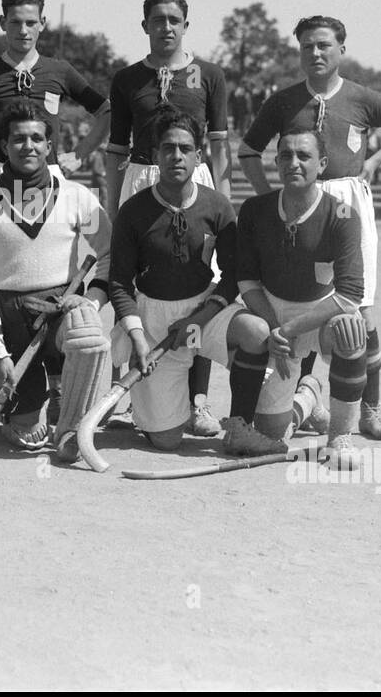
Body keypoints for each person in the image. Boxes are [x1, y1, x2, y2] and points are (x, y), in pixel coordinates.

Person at [237, 16, 381, 441]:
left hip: (346, 205)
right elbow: (249, 150)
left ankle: (369, 410)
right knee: (301, 298)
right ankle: (304, 394)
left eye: (323, 45)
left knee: (358, 309)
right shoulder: (283, 101)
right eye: (306, 46)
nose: (315, 53)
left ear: (341, 49)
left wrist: (373, 163)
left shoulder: (360, 96)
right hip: (297, 203)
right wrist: (269, 200)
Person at [0, 0, 110, 426]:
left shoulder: (59, 69)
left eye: (31, 22)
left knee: (53, 273)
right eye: (15, 21)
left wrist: (81, 154)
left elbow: (106, 109)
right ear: (2, 24)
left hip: (48, 175)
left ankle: (57, 376)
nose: (23, 30)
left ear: (43, 23)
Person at [108, 110, 283, 454]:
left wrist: (198, 318)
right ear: (156, 155)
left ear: (198, 156)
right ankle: (170, 404)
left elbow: (232, 276)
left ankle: (239, 427)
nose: (176, 156)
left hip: (205, 311)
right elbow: (118, 283)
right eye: (168, 148)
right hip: (156, 323)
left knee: (256, 333)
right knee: (167, 441)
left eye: (185, 149)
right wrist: (138, 338)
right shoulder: (133, 210)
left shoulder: (217, 205)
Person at [105, 0, 233, 436]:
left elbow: (219, 147)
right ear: (145, 26)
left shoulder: (210, 75)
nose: (166, 27)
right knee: (132, 284)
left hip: (197, 186)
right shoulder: (126, 78)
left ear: (186, 24)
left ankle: (198, 402)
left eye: (174, 19)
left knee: (196, 287)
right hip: (141, 179)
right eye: (157, 19)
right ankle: (122, 393)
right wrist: (111, 202)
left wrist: (223, 199)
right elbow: (115, 149)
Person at [0, 100, 111, 451]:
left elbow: (108, 254)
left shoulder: (78, 199)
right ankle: (27, 408)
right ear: (3, 146)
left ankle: (71, 421)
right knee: (26, 436)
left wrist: (91, 300)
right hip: (11, 319)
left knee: (88, 334)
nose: (27, 146)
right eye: (18, 139)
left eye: (36, 138)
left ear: (49, 145)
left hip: (61, 309)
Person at [233, 128, 370, 469]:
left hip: (318, 316)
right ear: (276, 163)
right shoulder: (254, 210)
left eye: (304, 156)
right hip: (273, 316)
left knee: (350, 329)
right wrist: (276, 328)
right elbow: (247, 280)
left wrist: (290, 328)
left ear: (322, 164)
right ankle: (308, 397)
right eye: (285, 155)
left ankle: (339, 436)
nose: (293, 163)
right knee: (272, 433)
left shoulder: (343, 215)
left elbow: (351, 294)